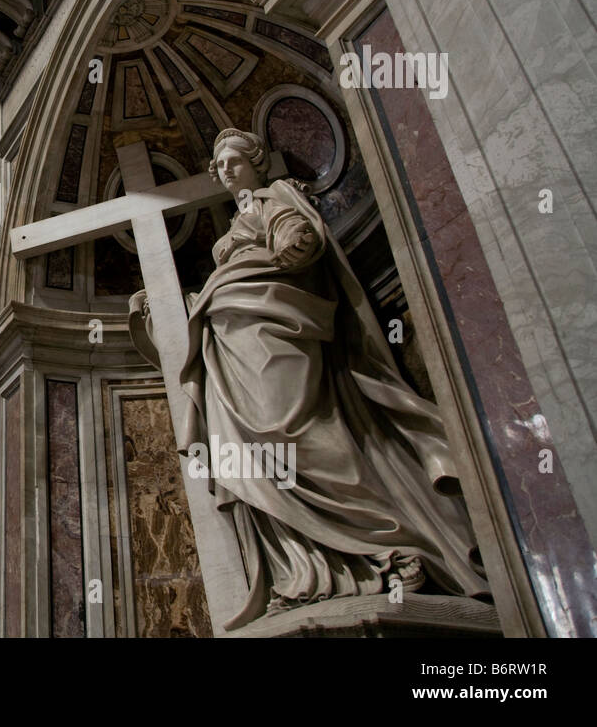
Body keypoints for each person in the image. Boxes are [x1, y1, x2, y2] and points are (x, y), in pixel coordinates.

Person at [178, 128, 489, 629]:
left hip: (276, 330)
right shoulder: (238, 219)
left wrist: (283, 247)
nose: (227, 171)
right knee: (255, 452)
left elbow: (302, 245)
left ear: (260, 163)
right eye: (221, 166)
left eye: (235, 161)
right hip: (233, 341)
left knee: (296, 431)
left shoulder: (275, 196)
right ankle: (312, 568)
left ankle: (394, 539)